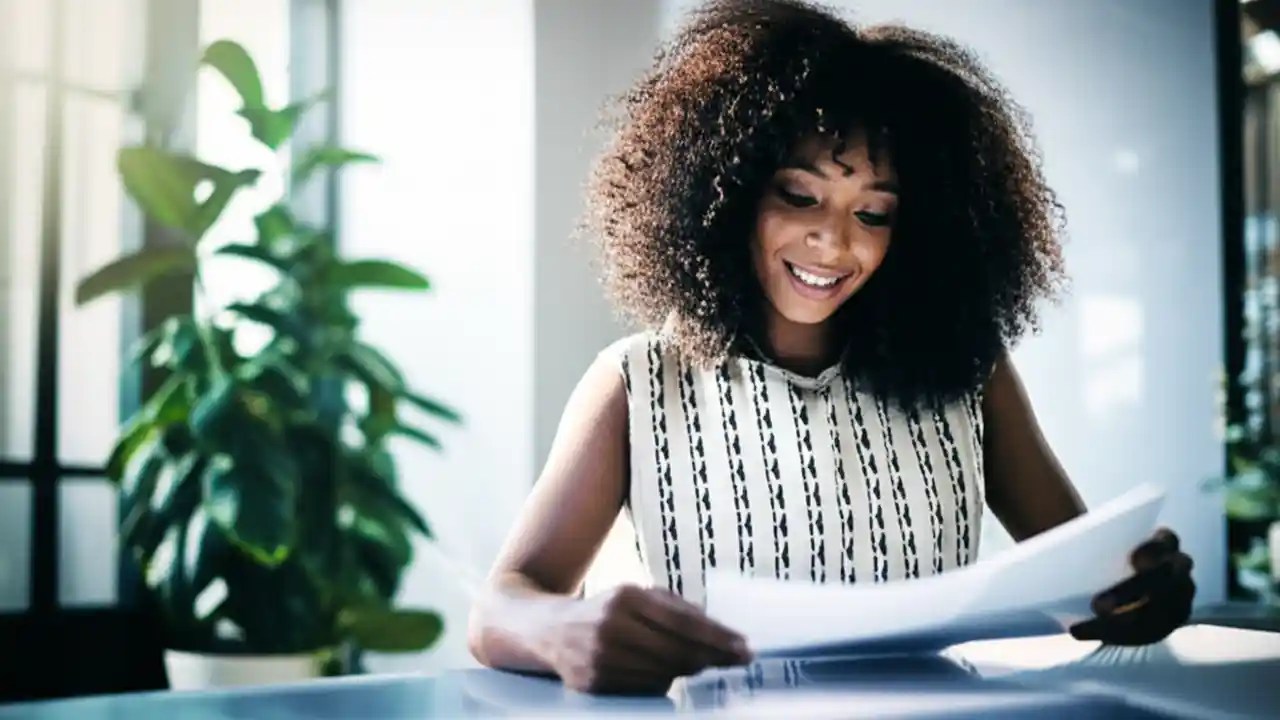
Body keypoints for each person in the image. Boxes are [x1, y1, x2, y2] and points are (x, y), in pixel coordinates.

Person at [468, 0, 1196, 695]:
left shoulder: (968, 374)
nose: (836, 242)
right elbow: (501, 609)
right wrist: (563, 628)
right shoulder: (638, 382)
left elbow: (1086, 594)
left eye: (874, 212)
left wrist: (1139, 594)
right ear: (728, 195)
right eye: (799, 195)